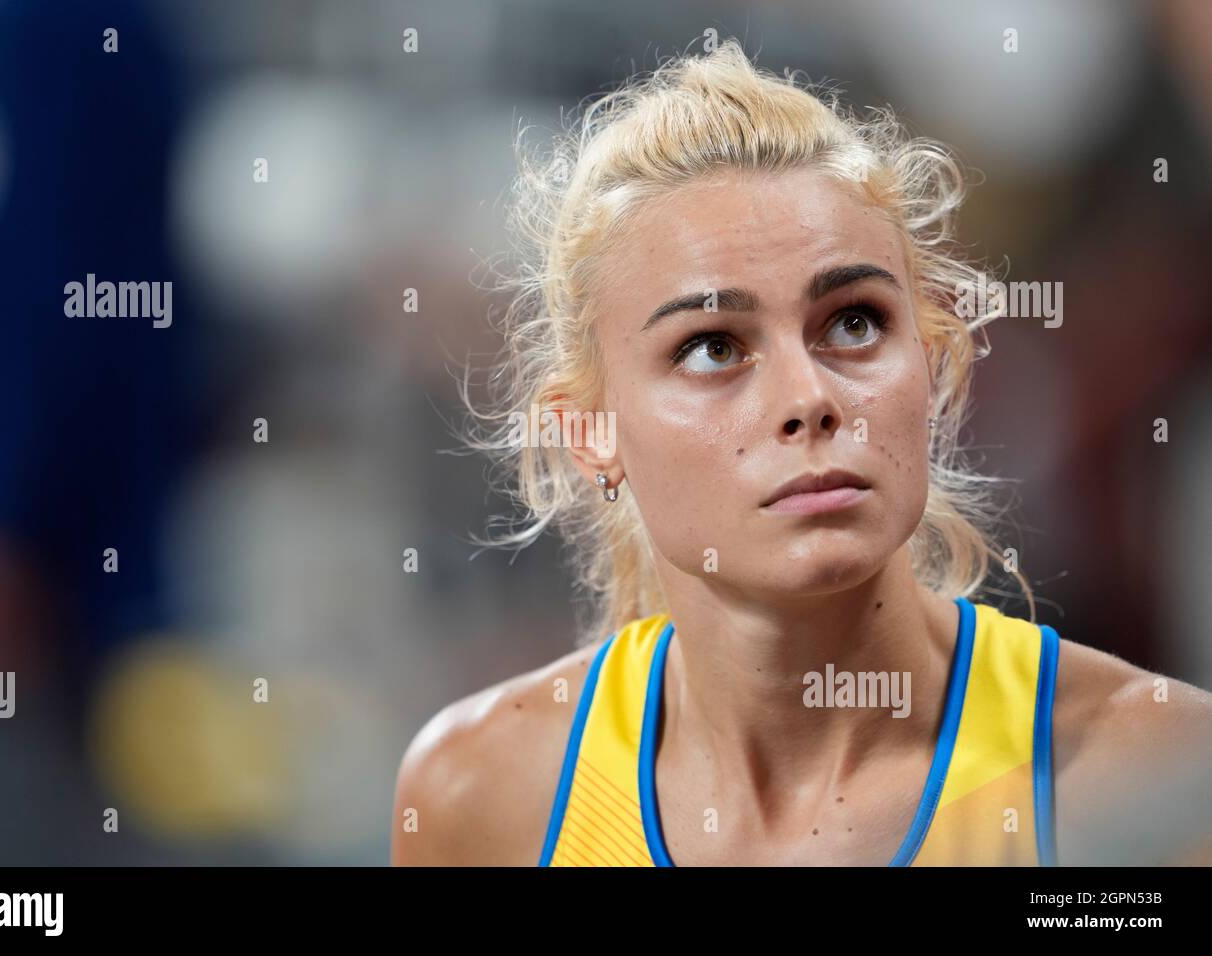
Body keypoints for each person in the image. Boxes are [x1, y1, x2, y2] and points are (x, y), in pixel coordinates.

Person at [391, 40, 1212, 866]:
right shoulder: (479, 792)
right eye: (712, 347)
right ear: (590, 434)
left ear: (933, 366)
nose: (808, 398)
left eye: (854, 323)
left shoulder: (1158, 777)